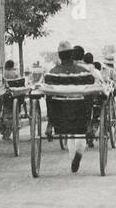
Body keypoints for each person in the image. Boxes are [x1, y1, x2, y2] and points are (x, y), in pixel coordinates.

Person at [42, 40, 105, 173]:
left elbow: (47, 94)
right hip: (81, 114)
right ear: (71, 54)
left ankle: (72, 157)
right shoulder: (84, 74)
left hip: (59, 116)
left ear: (59, 55)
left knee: (70, 134)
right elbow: (92, 89)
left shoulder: (51, 75)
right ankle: (79, 153)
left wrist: (50, 122)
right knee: (85, 101)